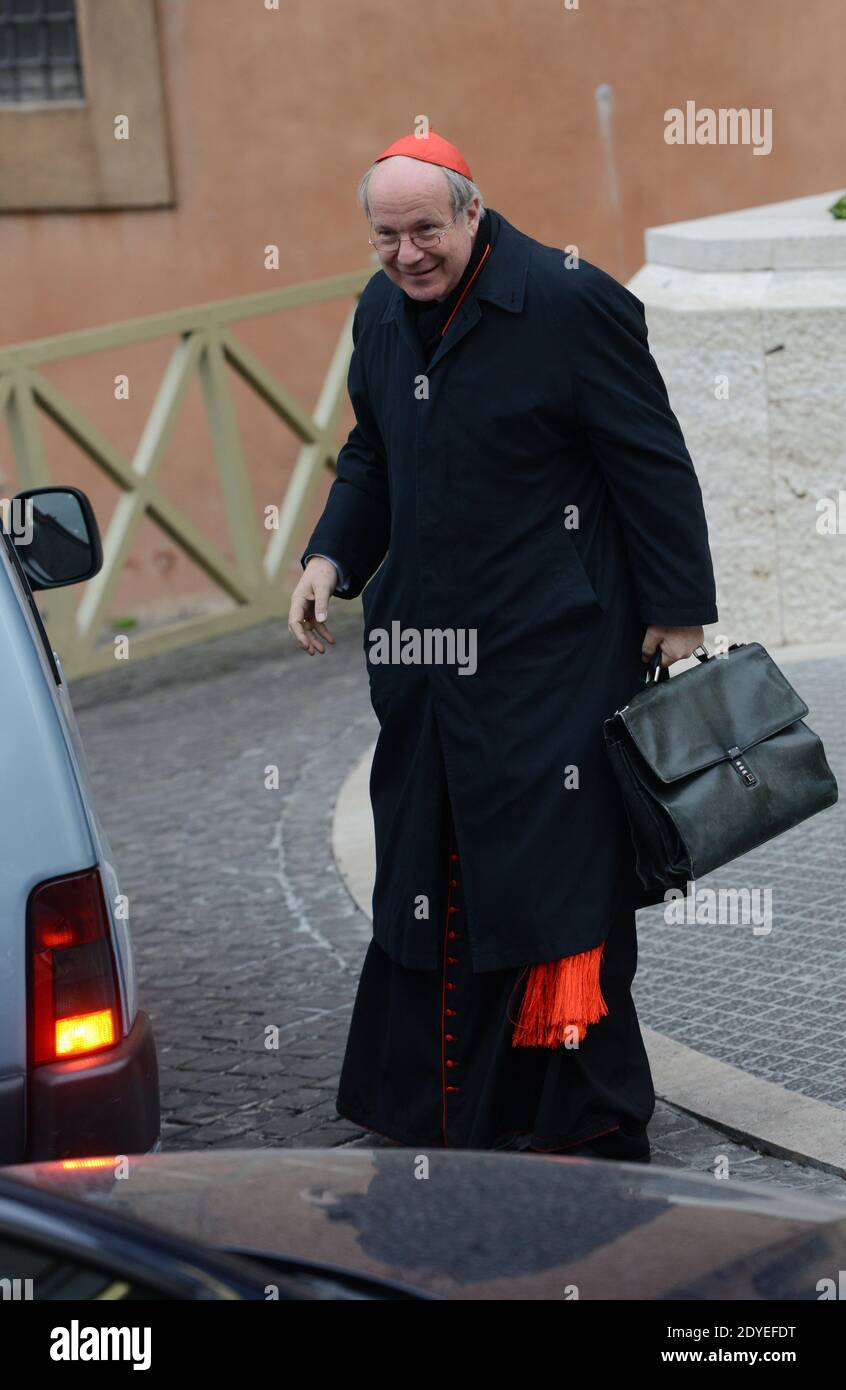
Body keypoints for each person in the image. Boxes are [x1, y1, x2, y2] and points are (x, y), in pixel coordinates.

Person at [288, 130, 718, 1162]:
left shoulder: (570, 301)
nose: (406, 255)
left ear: (473, 210)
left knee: (552, 876)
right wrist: (330, 555)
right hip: (430, 662)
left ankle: (583, 1112)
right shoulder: (380, 311)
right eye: (386, 236)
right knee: (428, 867)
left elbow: (653, 463)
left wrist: (680, 611)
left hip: (554, 653)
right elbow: (373, 451)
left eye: (425, 230)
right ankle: (451, 1107)